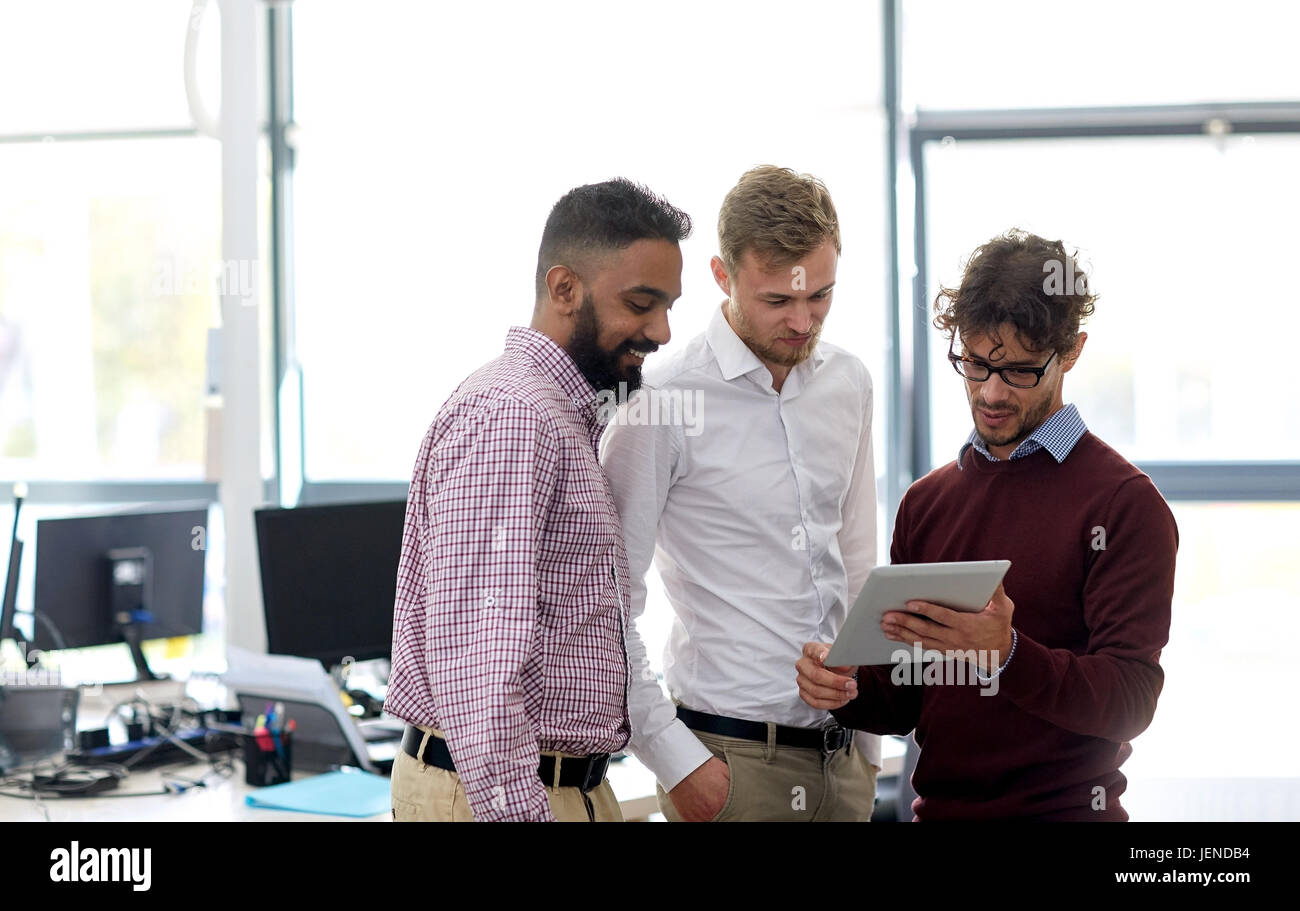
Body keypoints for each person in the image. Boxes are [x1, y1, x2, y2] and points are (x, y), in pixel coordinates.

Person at [796, 229, 1178, 821]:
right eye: (974, 365)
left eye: (1021, 371)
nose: (992, 392)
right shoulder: (927, 503)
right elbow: (907, 698)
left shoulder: (1123, 504)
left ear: (1071, 352)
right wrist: (846, 688)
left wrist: (1007, 653)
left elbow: (1130, 700)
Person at [385, 178, 691, 821]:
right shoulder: (516, 418)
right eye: (641, 303)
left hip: (561, 784)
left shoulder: (562, 415)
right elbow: (480, 659)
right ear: (563, 288)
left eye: (668, 306)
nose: (661, 330)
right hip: (502, 795)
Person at [601, 165, 880, 822]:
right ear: (722, 277)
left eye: (821, 295)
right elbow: (606, 606)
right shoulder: (662, 403)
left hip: (845, 760)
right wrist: (679, 763)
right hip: (729, 764)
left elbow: (859, 560)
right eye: (778, 301)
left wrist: (866, 743)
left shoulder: (850, 382)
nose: (803, 319)